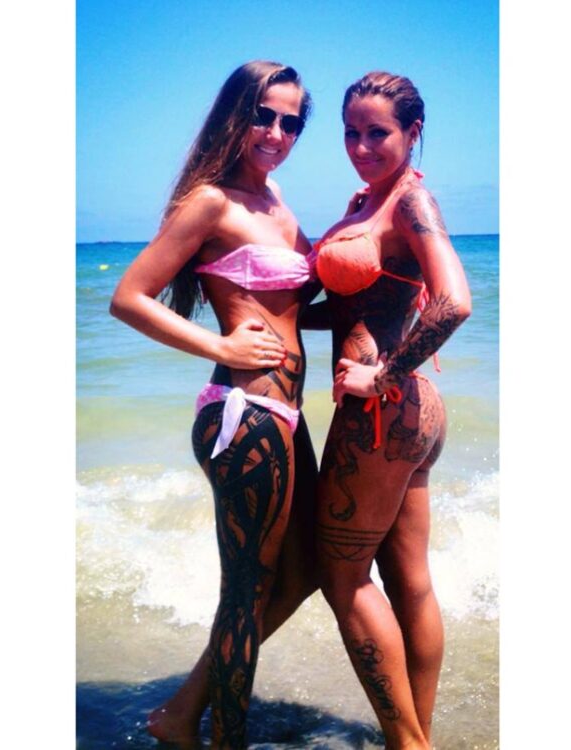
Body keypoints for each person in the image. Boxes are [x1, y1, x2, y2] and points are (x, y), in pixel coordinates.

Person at [109, 61, 320, 749]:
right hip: (245, 413)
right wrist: (220, 345)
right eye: (264, 115)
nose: (277, 132)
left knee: (305, 570)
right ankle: (219, 739)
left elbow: (293, 307)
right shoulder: (209, 201)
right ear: (236, 113)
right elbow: (129, 297)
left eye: (291, 122)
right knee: (245, 592)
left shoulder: (275, 199)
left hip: (286, 413)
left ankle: (182, 712)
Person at [312, 71, 472, 750]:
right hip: (415, 414)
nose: (360, 145)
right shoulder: (369, 201)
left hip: (382, 414)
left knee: (343, 578)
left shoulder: (410, 201)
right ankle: (416, 736)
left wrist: (381, 376)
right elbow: (355, 303)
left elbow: (454, 301)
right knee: (408, 582)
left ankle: (408, 743)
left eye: (377, 132)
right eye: (350, 132)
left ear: (412, 132)